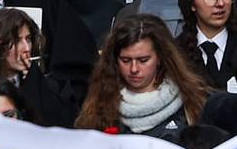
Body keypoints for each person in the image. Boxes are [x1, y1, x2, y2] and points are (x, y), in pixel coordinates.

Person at [74, 14, 209, 134]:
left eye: (143, 60)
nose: (134, 69)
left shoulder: (192, 104)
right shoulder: (98, 108)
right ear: (114, 60)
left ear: (160, 58)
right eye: (125, 60)